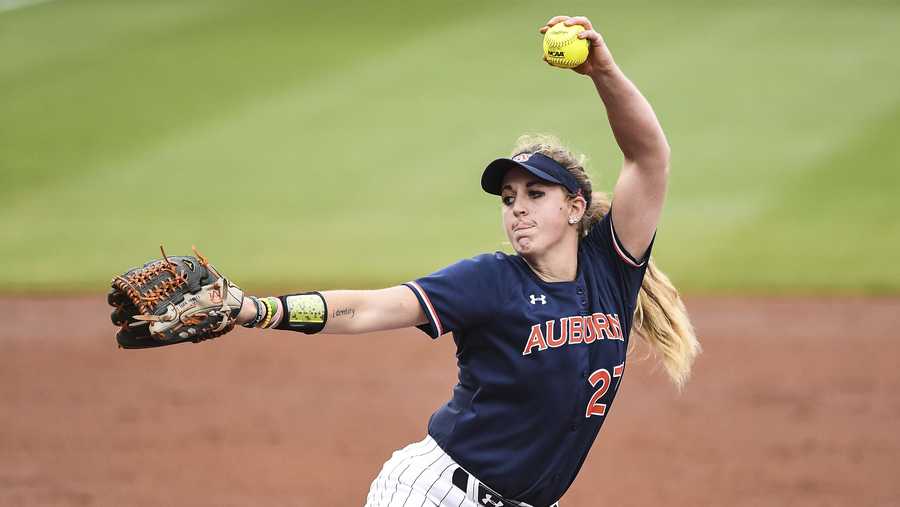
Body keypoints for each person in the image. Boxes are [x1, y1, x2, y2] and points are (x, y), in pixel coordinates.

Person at [233, 14, 700, 507]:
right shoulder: (490, 280)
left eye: (535, 194)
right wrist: (261, 311)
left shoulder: (612, 270)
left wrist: (603, 71)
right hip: (435, 496)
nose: (517, 207)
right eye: (508, 197)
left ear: (575, 206)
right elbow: (373, 308)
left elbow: (649, 157)